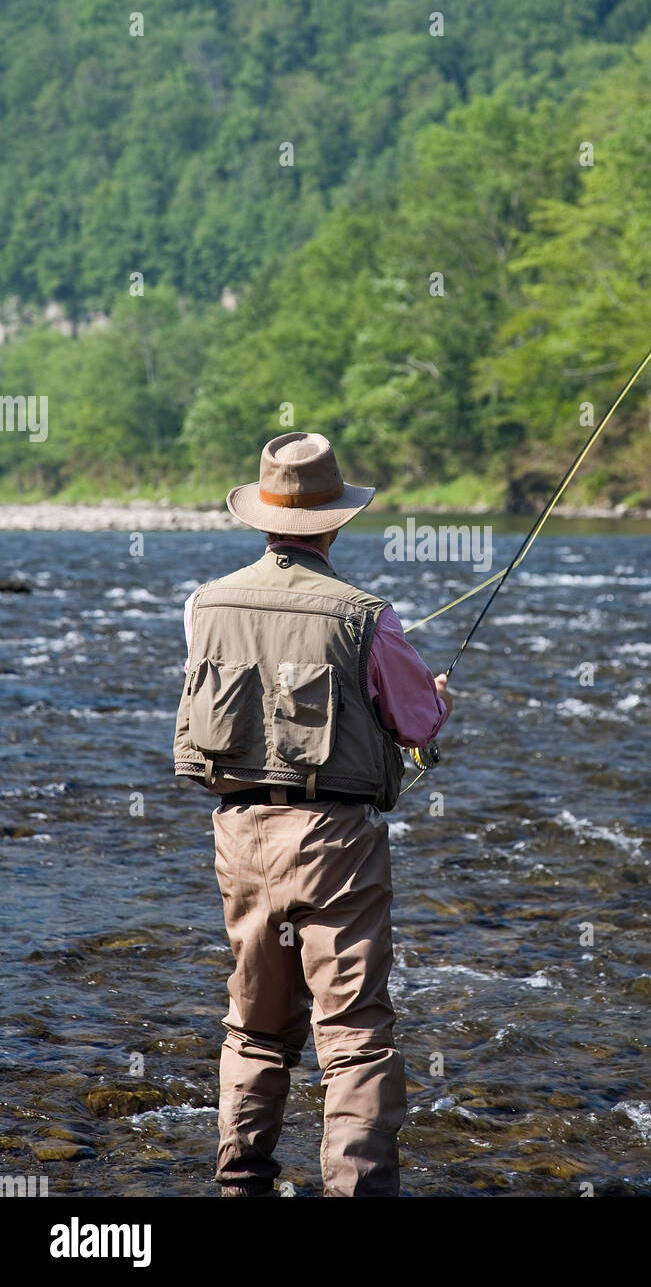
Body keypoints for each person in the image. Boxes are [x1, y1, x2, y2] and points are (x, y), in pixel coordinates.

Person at [173, 432, 453, 1197]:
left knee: (255, 1023)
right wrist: (437, 698)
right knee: (355, 1034)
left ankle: (241, 1183)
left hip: (237, 834)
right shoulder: (367, 615)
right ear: (334, 523)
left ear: (262, 516)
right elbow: (416, 724)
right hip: (333, 838)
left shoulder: (205, 603)